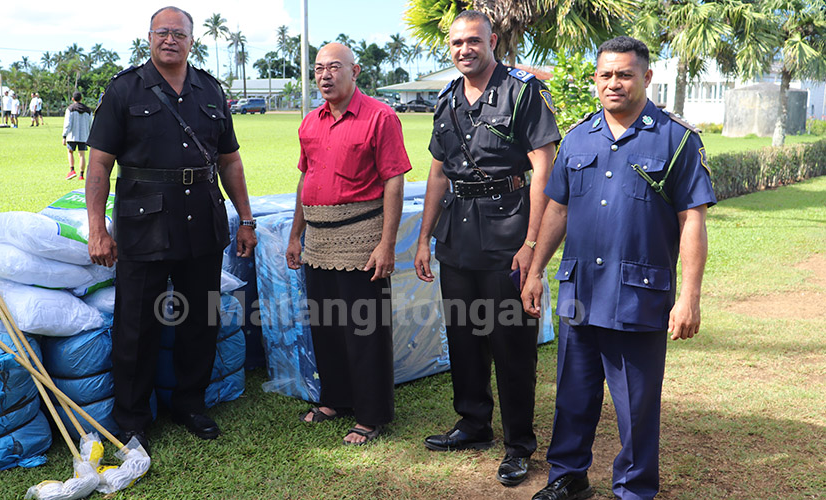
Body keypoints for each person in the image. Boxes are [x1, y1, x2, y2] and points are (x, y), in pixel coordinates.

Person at [520, 36, 716, 500]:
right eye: (606, 75)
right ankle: (568, 476)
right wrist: (535, 270)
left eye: (625, 74)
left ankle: (634, 487)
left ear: (646, 78)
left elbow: (693, 220)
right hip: (580, 292)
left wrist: (689, 298)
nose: (614, 83)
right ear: (595, 79)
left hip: (637, 296)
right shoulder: (578, 138)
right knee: (572, 393)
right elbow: (558, 210)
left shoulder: (677, 139)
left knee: (637, 404)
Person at [85, 6, 257, 453]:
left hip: (203, 217)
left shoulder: (210, 91)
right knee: (136, 325)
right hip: (144, 223)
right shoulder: (124, 90)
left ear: (191, 41)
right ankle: (133, 418)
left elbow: (230, 161)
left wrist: (247, 218)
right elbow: (100, 164)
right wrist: (97, 229)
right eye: (162, 32)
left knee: (200, 318)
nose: (169, 40)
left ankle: (190, 404)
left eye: (178, 33)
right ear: (148, 38)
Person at [412, 10, 560, 487]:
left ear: (491, 40)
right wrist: (423, 237)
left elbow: (544, 170)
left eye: (472, 41)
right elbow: (438, 172)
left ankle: (518, 444)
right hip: (458, 235)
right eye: (455, 43)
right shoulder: (447, 98)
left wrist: (532, 244)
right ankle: (473, 424)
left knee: (512, 343)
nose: (463, 50)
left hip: (509, 233)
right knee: (465, 337)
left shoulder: (523, 91)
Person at [286, 43, 411, 445]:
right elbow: (306, 179)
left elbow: (394, 179)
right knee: (326, 326)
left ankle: (371, 415)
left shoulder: (381, 116)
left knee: (363, 329)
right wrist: (294, 235)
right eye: (319, 68)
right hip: (318, 240)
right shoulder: (309, 122)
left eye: (334, 67)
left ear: (355, 71)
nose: (325, 75)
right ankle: (334, 399)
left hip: (362, 237)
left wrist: (386, 244)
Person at [63, 91, 91, 180]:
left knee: (70, 151)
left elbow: (68, 123)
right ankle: (82, 175)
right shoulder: (88, 110)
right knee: (82, 155)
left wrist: (64, 136)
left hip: (72, 135)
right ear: (81, 98)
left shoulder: (70, 109)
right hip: (84, 136)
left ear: (72, 99)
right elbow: (91, 124)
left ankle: (72, 170)